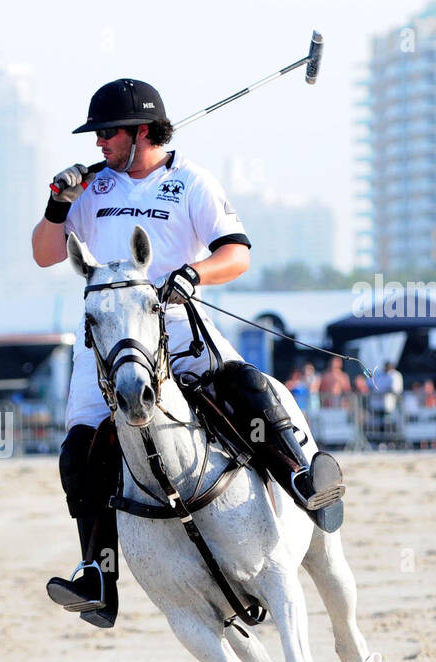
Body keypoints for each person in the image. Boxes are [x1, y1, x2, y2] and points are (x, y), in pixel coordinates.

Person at [30, 78, 345, 629]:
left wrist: (194, 274)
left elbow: (237, 253)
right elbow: (43, 255)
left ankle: (300, 478)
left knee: (245, 385)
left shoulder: (192, 182)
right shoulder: (93, 189)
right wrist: (58, 205)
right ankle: (97, 575)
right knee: (81, 451)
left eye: (108, 133)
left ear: (142, 132)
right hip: (105, 340)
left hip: (173, 322)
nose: (99, 143)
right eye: (97, 135)